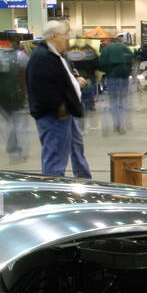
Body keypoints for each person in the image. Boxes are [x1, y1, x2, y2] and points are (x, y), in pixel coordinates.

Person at [27, 21, 90, 177]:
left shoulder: (53, 55)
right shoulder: (43, 57)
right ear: (54, 36)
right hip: (54, 117)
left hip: (63, 114)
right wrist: (59, 106)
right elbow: (42, 88)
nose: (67, 39)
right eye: (65, 35)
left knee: (70, 151)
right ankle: (53, 190)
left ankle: (82, 181)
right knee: (55, 159)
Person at [98, 36, 134, 134]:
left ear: (109, 41)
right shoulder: (125, 48)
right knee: (123, 101)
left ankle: (117, 124)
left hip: (111, 78)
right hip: (124, 78)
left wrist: (107, 71)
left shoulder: (106, 50)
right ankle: (123, 123)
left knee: (113, 101)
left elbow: (101, 63)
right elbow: (132, 60)